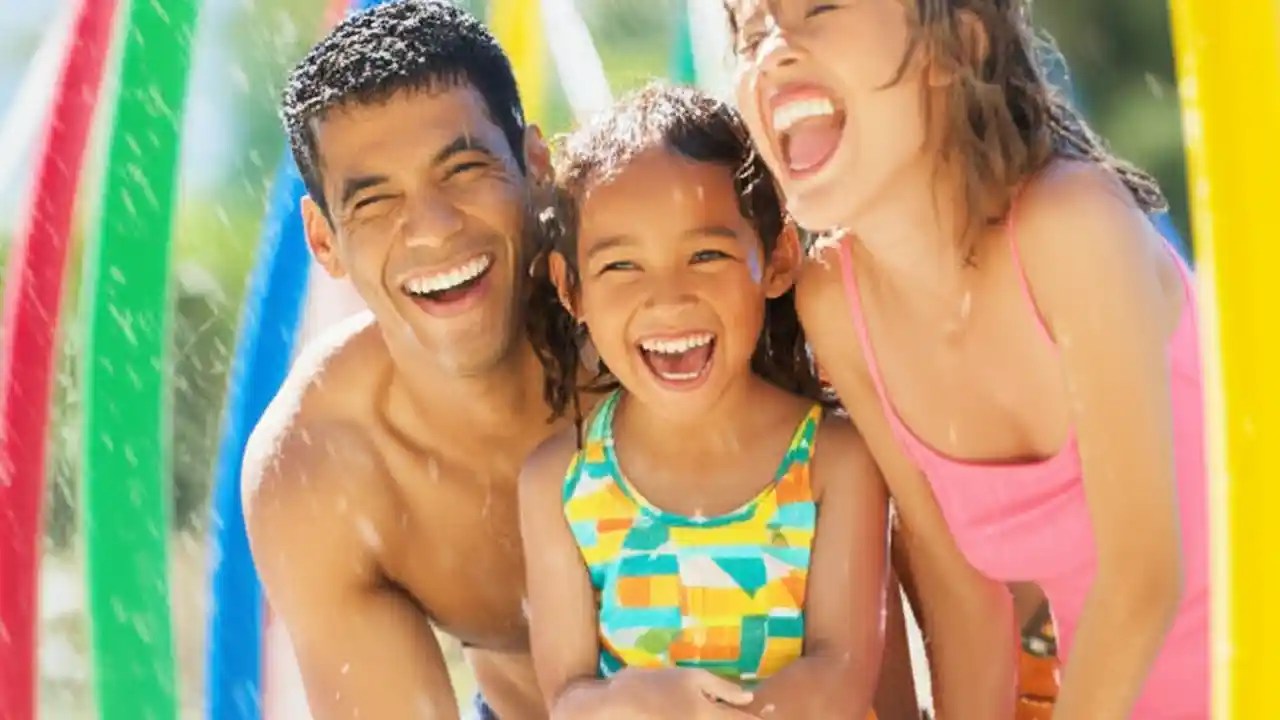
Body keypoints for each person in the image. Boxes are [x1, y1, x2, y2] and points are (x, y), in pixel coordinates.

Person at [724, 1, 1208, 718]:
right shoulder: (838, 303)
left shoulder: (1070, 228)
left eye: (819, 7)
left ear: (955, 46)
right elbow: (964, 597)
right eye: (751, 32)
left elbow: (1142, 582)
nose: (773, 52)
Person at [517, 83, 908, 720]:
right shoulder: (559, 484)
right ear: (572, 289)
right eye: (621, 267)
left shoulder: (833, 461)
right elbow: (568, 699)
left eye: (706, 254)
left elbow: (840, 677)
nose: (669, 298)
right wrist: (629, 702)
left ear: (778, 260)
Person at [243, 1, 558, 717]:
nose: (433, 231)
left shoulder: (658, 327)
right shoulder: (324, 468)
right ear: (324, 241)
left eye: (464, 170)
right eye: (376, 202)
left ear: (536, 165)